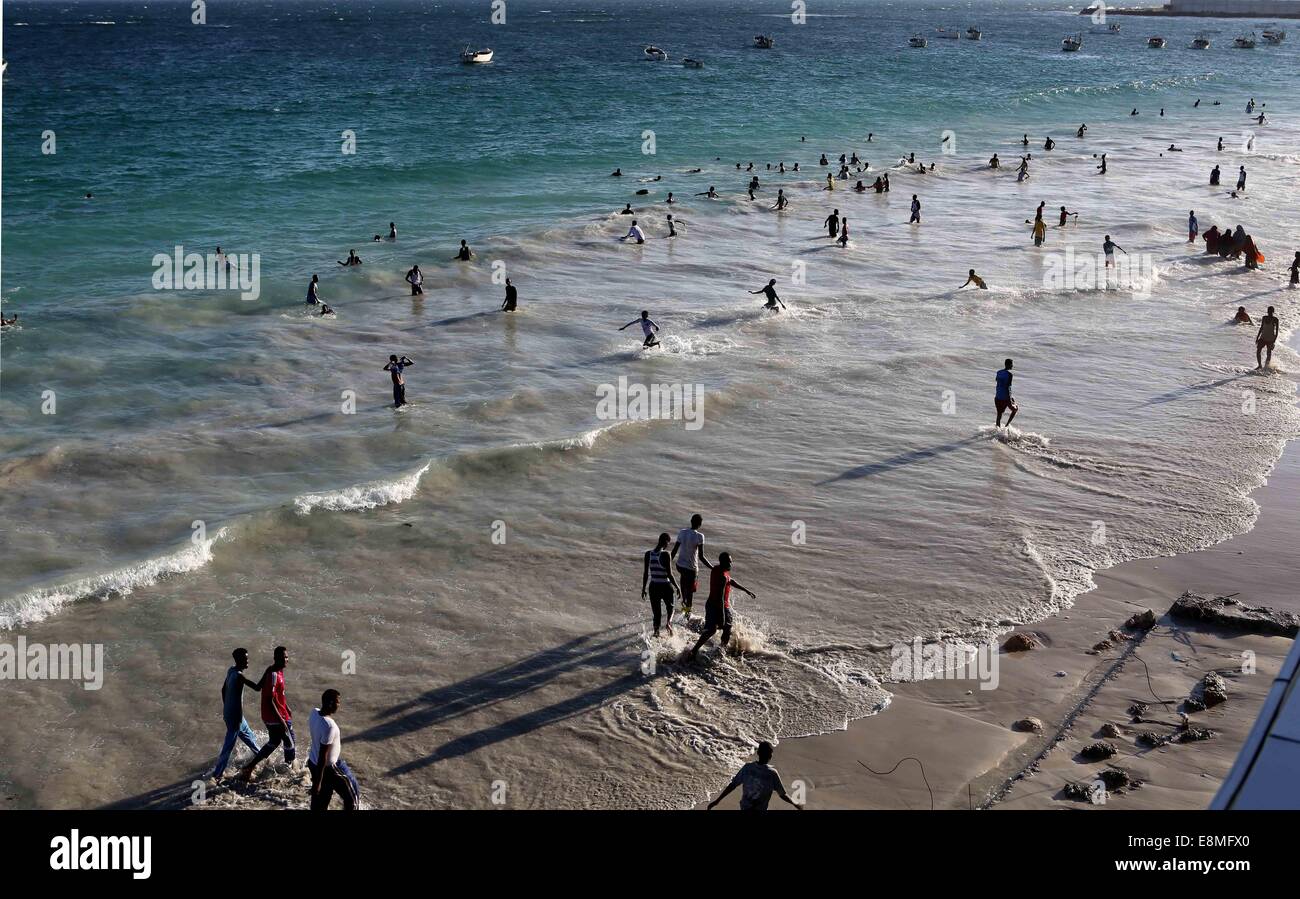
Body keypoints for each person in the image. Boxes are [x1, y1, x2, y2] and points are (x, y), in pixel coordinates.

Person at [686, 552, 756, 660]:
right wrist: (722, 616)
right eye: (729, 562)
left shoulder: (717, 569)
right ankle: (698, 651)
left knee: (723, 628)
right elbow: (720, 597)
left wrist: (746, 590)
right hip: (718, 605)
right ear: (723, 562)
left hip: (711, 604)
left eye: (731, 562)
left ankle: (717, 649)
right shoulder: (722, 576)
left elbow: (730, 580)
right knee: (715, 629)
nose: (730, 564)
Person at [239, 646, 294, 780]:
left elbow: (259, 688)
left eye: (286, 657)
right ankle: (289, 772)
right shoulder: (273, 674)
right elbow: (270, 700)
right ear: (275, 658)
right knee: (289, 742)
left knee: (274, 742)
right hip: (274, 716)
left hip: (274, 714)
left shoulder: (274, 670)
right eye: (282, 657)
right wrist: (281, 720)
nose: (286, 659)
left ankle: (249, 767)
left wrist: (286, 706)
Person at [210, 648, 263, 780]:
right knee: (228, 746)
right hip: (236, 717)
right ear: (239, 660)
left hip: (230, 713)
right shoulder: (239, 676)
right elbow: (257, 688)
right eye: (245, 659)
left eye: (247, 658)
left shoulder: (231, 670)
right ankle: (217, 774)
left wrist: (227, 707)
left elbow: (223, 690)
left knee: (250, 737)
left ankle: (262, 758)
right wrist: (267, 674)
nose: (247, 661)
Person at [707, 741, 802, 811]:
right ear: (771, 756)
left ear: (758, 753)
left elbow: (733, 785)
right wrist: (795, 803)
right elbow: (782, 794)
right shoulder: (772, 773)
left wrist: (718, 800)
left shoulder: (747, 768)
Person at [308, 690, 360, 811]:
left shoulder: (314, 713)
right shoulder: (330, 726)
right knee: (353, 797)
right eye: (338, 702)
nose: (339, 705)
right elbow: (323, 756)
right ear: (330, 703)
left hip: (313, 763)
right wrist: (317, 783)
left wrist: (317, 781)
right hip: (330, 769)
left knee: (321, 801)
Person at [671, 514, 711, 619]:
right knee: (690, 593)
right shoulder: (700, 536)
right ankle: (687, 614)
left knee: (684, 586)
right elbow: (701, 557)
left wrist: (666, 563)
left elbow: (674, 550)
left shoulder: (682, 532)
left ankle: (683, 607)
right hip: (691, 569)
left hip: (679, 565)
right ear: (700, 524)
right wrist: (712, 567)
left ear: (691, 521)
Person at [641, 532, 680, 637]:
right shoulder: (666, 554)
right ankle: (668, 623)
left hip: (653, 586)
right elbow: (670, 574)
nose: (668, 545)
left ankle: (656, 632)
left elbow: (646, 573)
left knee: (656, 613)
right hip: (665, 586)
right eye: (668, 543)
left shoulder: (648, 554)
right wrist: (677, 587)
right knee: (670, 608)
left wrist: (643, 588)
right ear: (666, 542)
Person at [995, 359, 1018, 427]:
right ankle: (1006, 426)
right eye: (1011, 364)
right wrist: (1010, 399)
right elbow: (1008, 387)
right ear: (1008, 364)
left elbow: (997, 380)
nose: (1012, 365)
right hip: (1005, 397)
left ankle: (997, 430)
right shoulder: (1010, 375)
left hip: (998, 396)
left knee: (999, 414)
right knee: (1015, 409)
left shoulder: (998, 372)